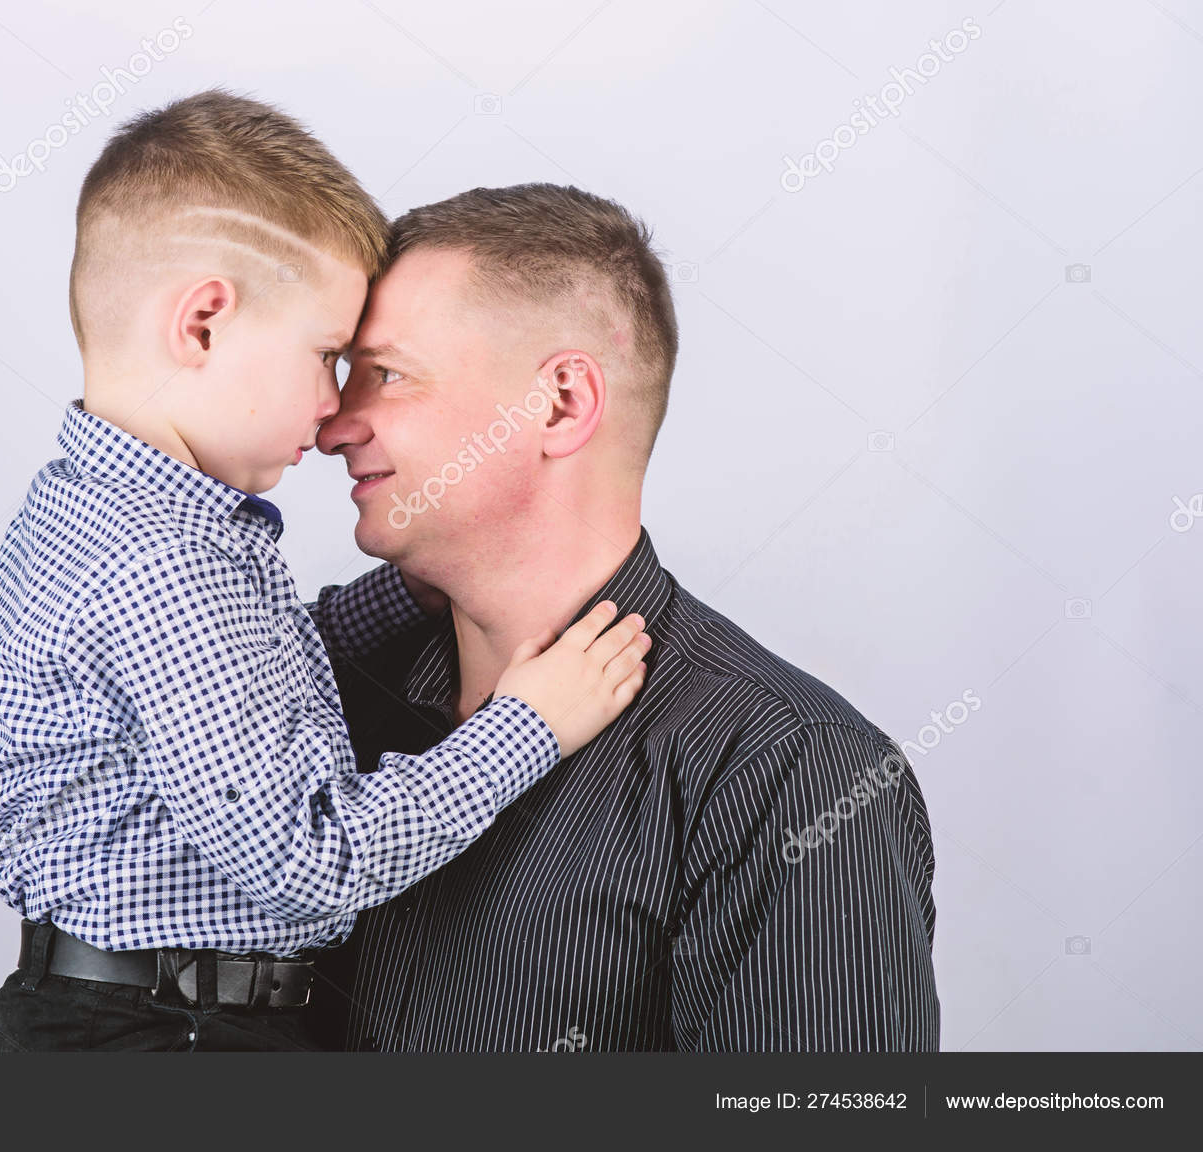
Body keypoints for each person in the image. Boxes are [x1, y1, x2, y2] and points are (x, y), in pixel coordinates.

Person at [0, 95, 651, 1052]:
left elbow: (241, 686)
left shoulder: (112, 512)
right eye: (329, 356)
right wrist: (527, 729)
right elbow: (310, 859)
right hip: (170, 1038)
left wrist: (397, 596)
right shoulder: (160, 562)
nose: (334, 413)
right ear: (204, 324)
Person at [310, 183, 940, 1051]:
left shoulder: (790, 772)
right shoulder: (319, 703)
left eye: (385, 375)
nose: (331, 426)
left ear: (562, 403)